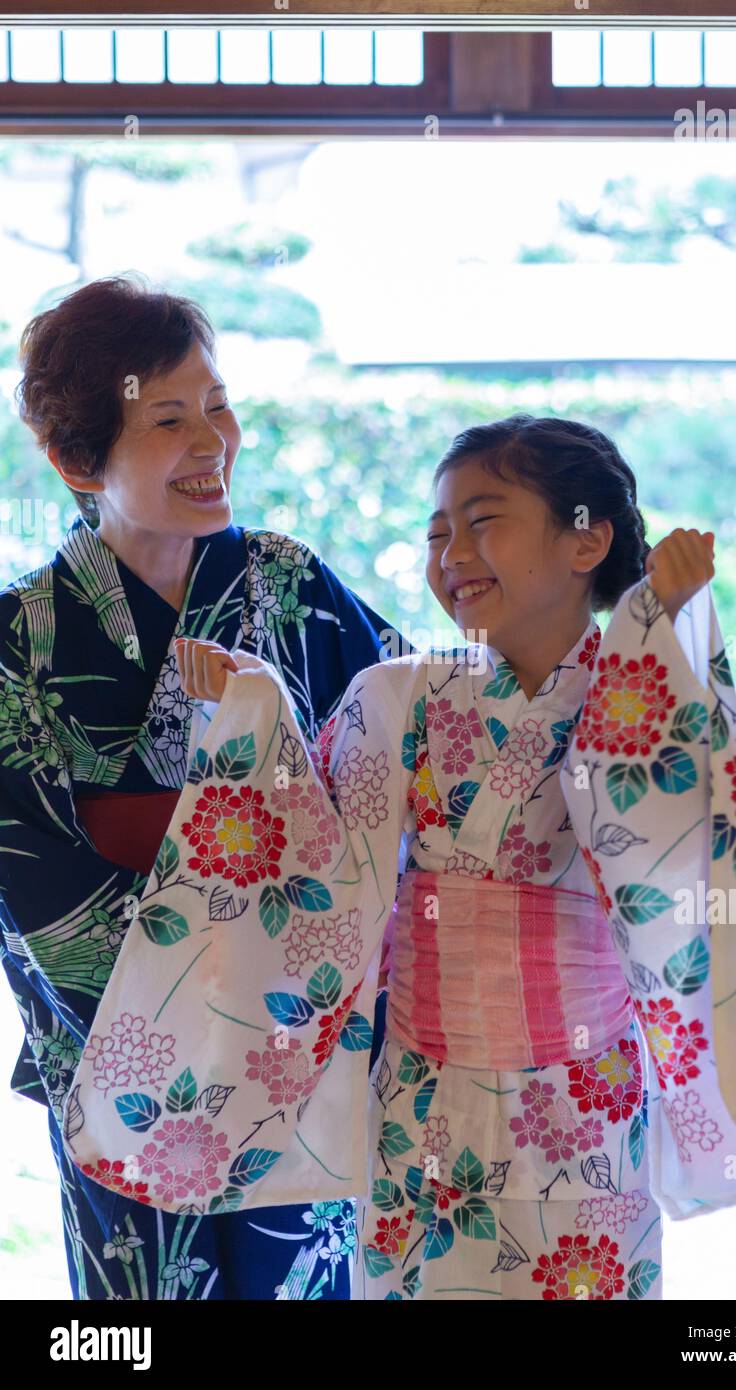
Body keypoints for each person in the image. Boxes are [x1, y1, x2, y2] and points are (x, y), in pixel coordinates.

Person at [63, 414, 736, 1300]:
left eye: (484, 520)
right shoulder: (399, 694)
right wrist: (261, 710)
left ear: (586, 538)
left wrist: (667, 630)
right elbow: (321, 859)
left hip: (585, 1106)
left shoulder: (637, 686)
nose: (452, 553)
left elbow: (666, 850)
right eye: (438, 532)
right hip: (420, 1099)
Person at [0, 273, 402, 1300]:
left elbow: (397, 750)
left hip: (292, 1045)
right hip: (125, 1058)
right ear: (76, 457)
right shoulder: (20, 637)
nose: (211, 440)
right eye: (169, 418)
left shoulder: (294, 584)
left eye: (218, 406)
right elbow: (24, 868)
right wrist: (189, 991)